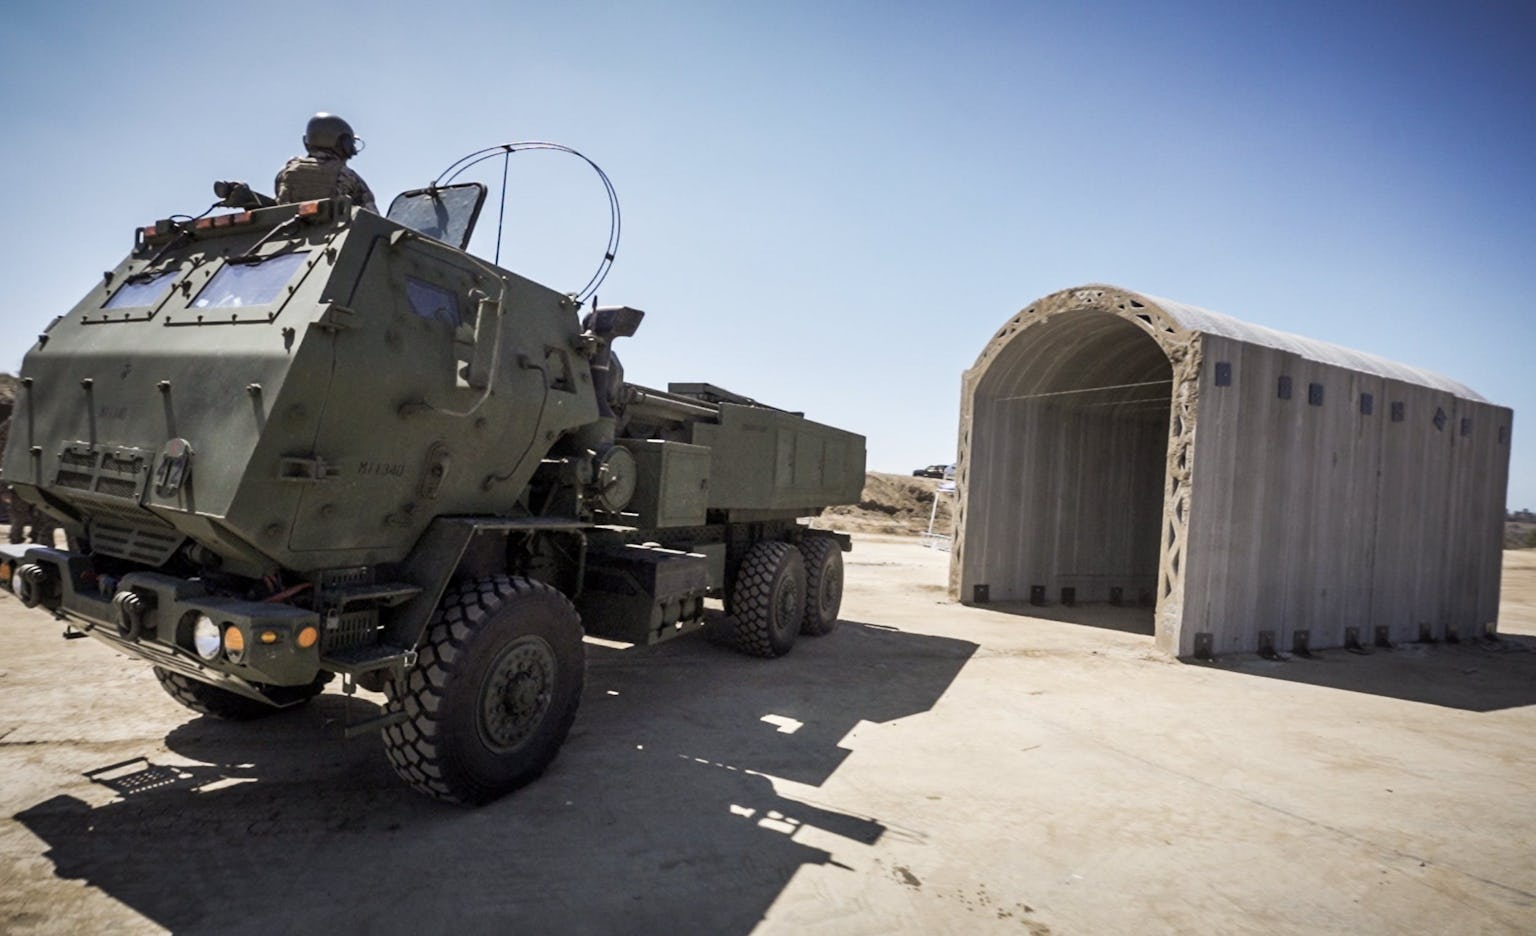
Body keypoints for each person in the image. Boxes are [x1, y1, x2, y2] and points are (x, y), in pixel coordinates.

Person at [274, 113, 377, 212]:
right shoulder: (348, 176)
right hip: (336, 229)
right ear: (342, 143)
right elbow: (373, 219)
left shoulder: (286, 172)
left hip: (286, 228)